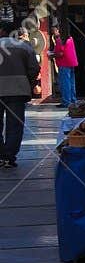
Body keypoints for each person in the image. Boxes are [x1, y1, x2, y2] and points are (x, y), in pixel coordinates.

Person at [0, 23, 41, 169]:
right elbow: (34, 68)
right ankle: (9, 157)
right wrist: (28, 83)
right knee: (15, 125)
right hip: (17, 90)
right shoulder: (24, 47)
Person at [49, 28, 78, 105]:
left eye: (54, 31)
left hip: (64, 63)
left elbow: (60, 53)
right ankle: (73, 99)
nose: (53, 33)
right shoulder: (70, 38)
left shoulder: (60, 40)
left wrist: (51, 55)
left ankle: (66, 102)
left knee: (65, 83)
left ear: (58, 31)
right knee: (71, 82)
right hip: (71, 62)